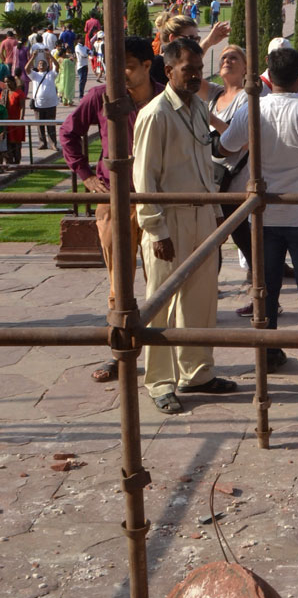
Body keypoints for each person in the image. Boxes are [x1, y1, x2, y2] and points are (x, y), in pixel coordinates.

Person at [218, 46, 298, 381]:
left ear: (268, 76)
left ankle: (270, 350)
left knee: (267, 288)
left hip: (264, 214)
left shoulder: (253, 110)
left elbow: (226, 147)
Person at [133, 38, 237, 413]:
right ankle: (160, 381)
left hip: (201, 213)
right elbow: (144, 179)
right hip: (169, 217)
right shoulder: (156, 114)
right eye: (187, 69)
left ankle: (196, 372)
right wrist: (155, 230)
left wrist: (215, 215)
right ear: (169, 70)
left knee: (201, 296)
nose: (195, 75)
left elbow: (204, 165)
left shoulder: (196, 108)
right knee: (160, 301)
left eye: (198, 68)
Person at [60, 36, 162, 381]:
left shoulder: (165, 97)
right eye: (115, 66)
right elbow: (69, 132)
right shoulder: (101, 97)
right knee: (120, 285)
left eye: (128, 67)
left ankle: (163, 357)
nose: (121, 74)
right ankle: (121, 352)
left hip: (157, 198)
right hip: (114, 199)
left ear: (147, 65)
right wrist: (86, 175)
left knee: (160, 282)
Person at [205, 44, 256, 285]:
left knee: (235, 235)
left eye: (234, 58)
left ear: (245, 66)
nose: (227, 60)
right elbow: (183, 69)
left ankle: (261, 287)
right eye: (224, 57)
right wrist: (210, 39)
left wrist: (213, 121)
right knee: (219, 235)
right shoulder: (215, 94)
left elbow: (245, 141)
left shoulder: (248, 97)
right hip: (212, 177)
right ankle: (209, 286)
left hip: (235, 178)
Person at [25, 49, 59, 148]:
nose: (41, 65)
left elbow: (57, 66)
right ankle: (42, 143)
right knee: (40, 125)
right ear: (37, 66)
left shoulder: (51, 74)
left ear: (47, 66)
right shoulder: (35, 75)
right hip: (38, 104)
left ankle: (53, 144)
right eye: (39, 64)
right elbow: (26, 68)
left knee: (51, 125)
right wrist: (33, 57)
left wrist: (50, 57)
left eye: (43, 64)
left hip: (51, 104)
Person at [2, 75, 25, 165]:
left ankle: (17, 160)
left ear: (13, 82)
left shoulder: (19, 93)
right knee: (7, 143)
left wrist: (20, 120)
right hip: (6, 121)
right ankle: (9, 161)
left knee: (16, 143)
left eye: (8, 81)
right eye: (5, 82)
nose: (7, 83)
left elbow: (22, 107)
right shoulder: (4, 93)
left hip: (16, 122)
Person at [75, 35, 91, 99]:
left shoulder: (84, 46)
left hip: (85, 65)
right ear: (78, 40)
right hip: (80, 66)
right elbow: (83, 54)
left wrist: (88, 52)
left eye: (82, 38)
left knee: (84, 80)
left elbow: (91, 52)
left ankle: (82, 94)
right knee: (81, 80)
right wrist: (88, 53)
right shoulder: (77, 47)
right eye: (81, 38)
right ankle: (80, 95)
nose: (82, 40)